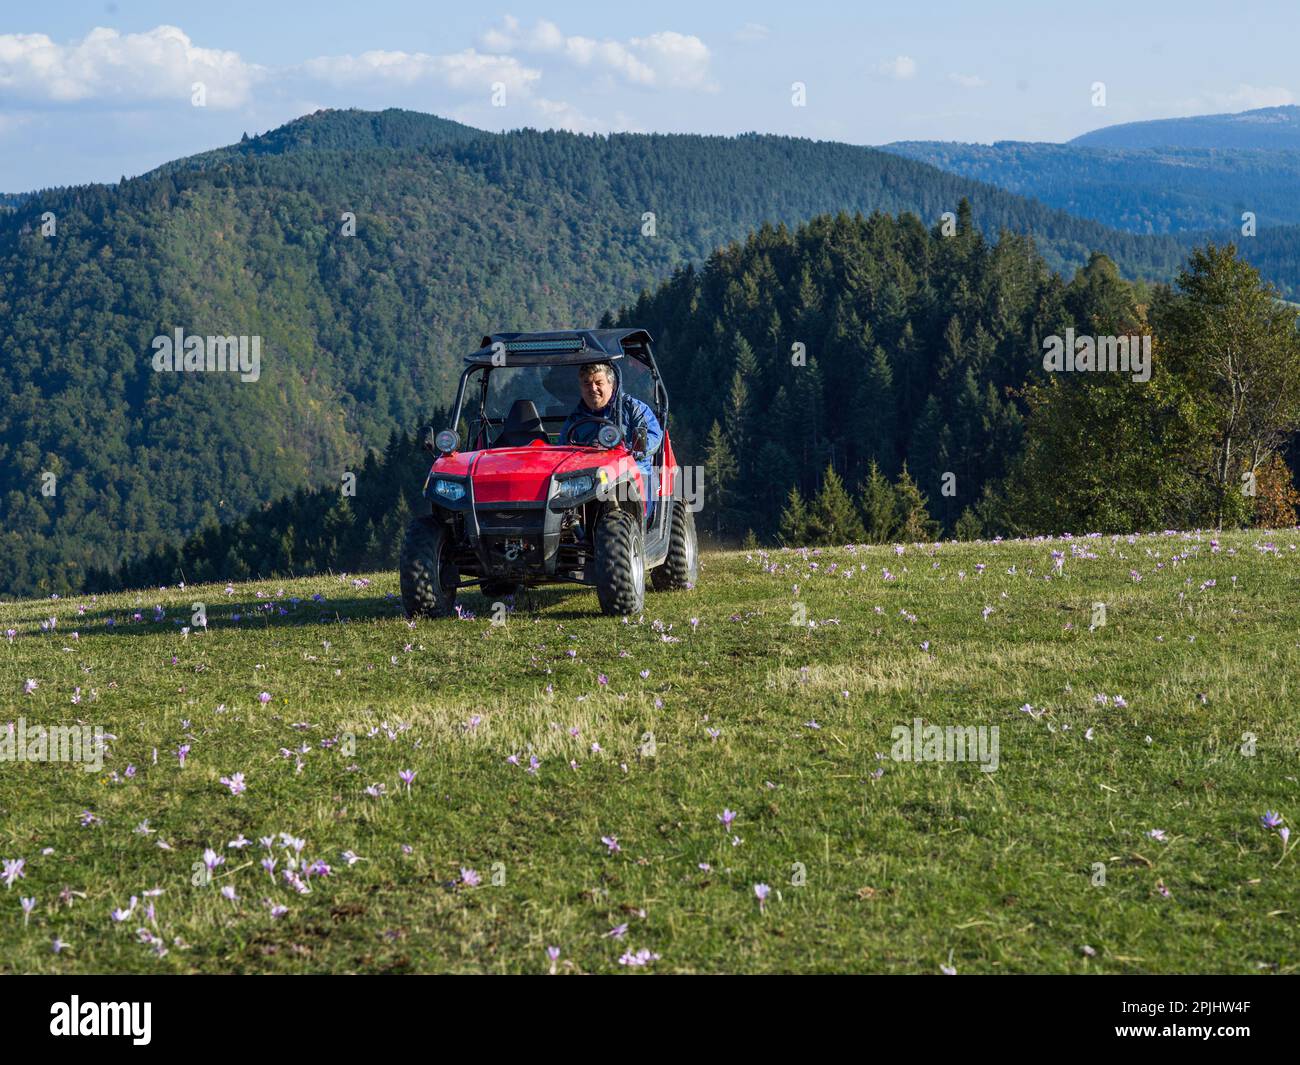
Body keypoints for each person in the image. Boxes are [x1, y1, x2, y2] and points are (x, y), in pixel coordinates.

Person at [561, 360, 663, 525]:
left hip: (632, 469)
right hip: (588, 477)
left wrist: (633, 449)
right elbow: (562, 450)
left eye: (598, 382)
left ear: (611, 384)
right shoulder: (575, 419)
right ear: (581, 388)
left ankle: (636, 528)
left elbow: (653, 435)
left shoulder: (633, 408)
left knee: (629, 493)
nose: (592, 388)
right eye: (586, 383)